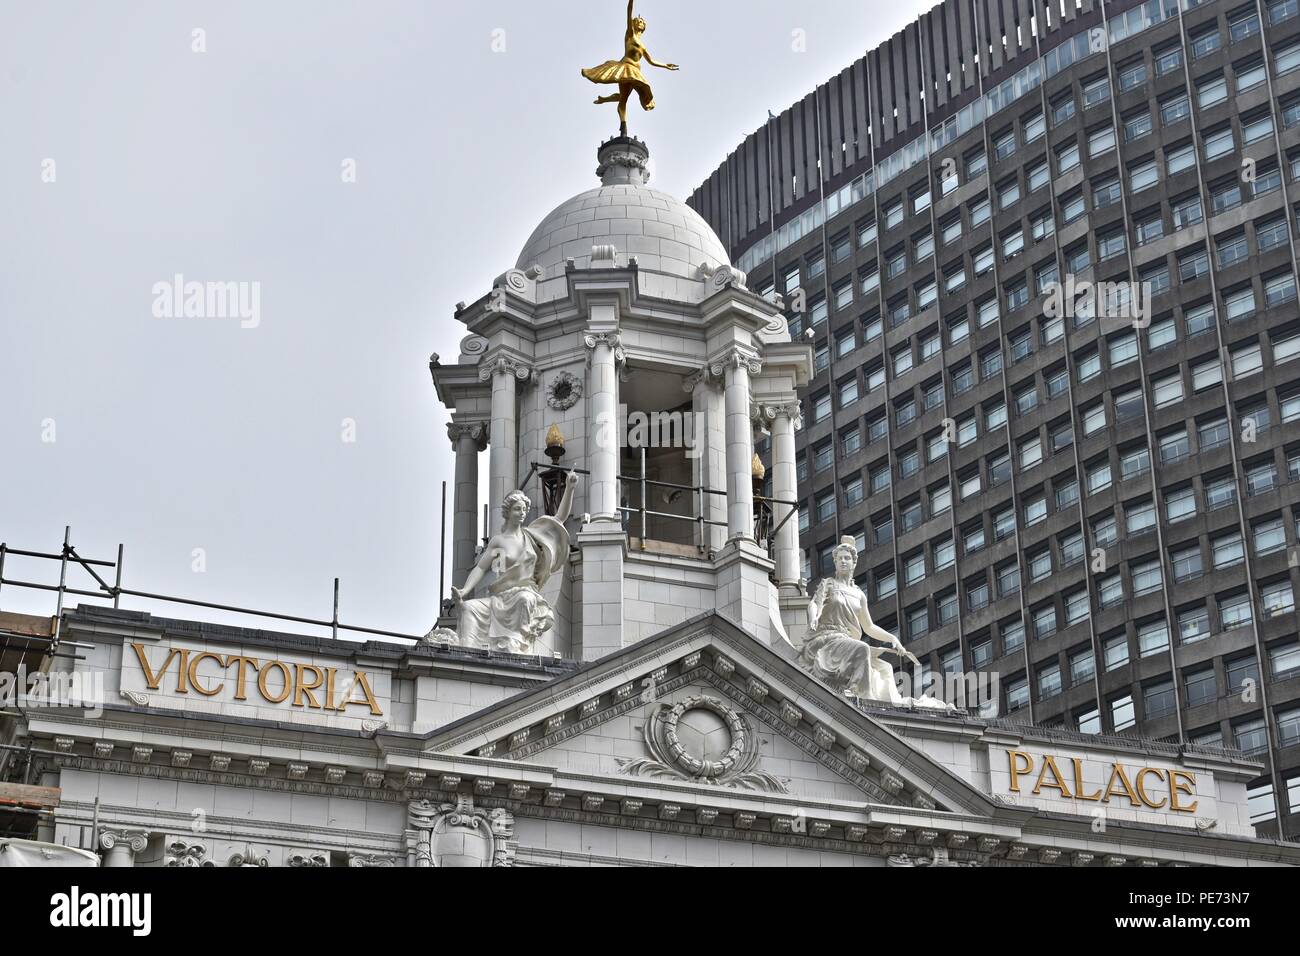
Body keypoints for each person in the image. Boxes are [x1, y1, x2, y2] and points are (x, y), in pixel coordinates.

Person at [451, 472, 578, 653]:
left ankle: (516, 645)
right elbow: (480, 568)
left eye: (524, 510)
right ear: (508, 512)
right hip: (501, 599)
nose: (522, 513)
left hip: (524, 594)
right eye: (518, 509)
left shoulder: (533, 536)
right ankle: (467, 656)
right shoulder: (499, 542)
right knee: (469, 608)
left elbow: (559, 518)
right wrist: (464, 590)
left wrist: (570, 488)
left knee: (524, 599)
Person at [799, 535, 922, 704]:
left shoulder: (859, 594)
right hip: (827, 639)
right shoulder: (828, 584)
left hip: (846, 641)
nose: (843, 561)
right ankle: (866, 697)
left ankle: (884, 704)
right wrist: (813, 618)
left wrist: (893, 639)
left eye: (847, 558)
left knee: (885, 668)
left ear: (853, 563)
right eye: (839, 558)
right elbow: (814, 604)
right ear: (835, 562)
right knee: (863, 648)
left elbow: (869, 627)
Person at [582, 1, 678, 135]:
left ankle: (605, 99)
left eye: (642, 21)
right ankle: (623, 124)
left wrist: (666, 66)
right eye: (638, 20)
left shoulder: (643, 46)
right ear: (633, 24)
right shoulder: (630, 34)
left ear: (644, 27)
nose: (640, 22)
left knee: (625, 96)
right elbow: (629, 11)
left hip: (636, 73)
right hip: (627, 68)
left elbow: (651, 61)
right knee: (624, 99)